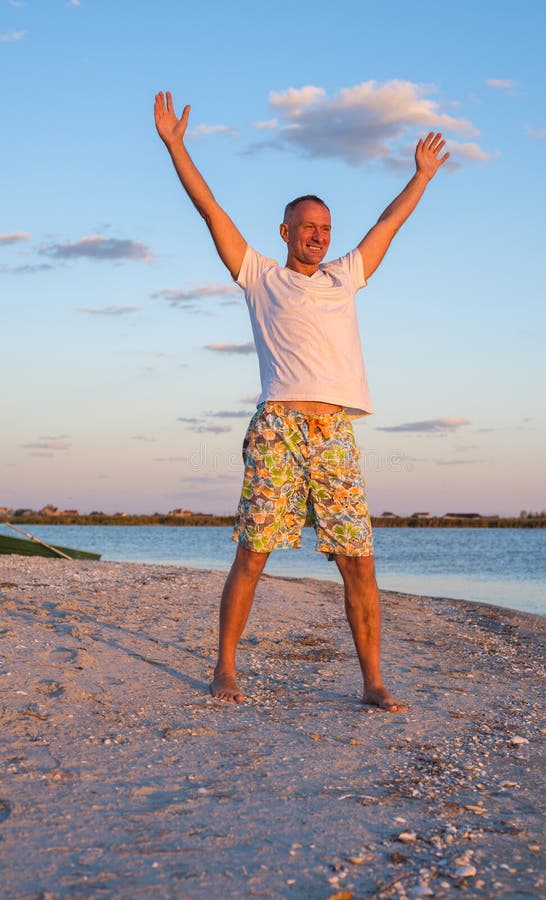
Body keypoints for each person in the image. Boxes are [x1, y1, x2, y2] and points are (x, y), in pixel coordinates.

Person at [154, 90, 449, 712]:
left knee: (359, 564)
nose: (317, 237)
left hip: (334, 433)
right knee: (254, 553)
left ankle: (372, 681)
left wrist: (418, 176)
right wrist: (177, 147)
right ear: (285, 231)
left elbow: (389, 223)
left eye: (325, 230)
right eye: (307, 228)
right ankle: (225, 669)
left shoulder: (347, 274)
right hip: (280, 428)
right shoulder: (260, 275)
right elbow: (210, 210)